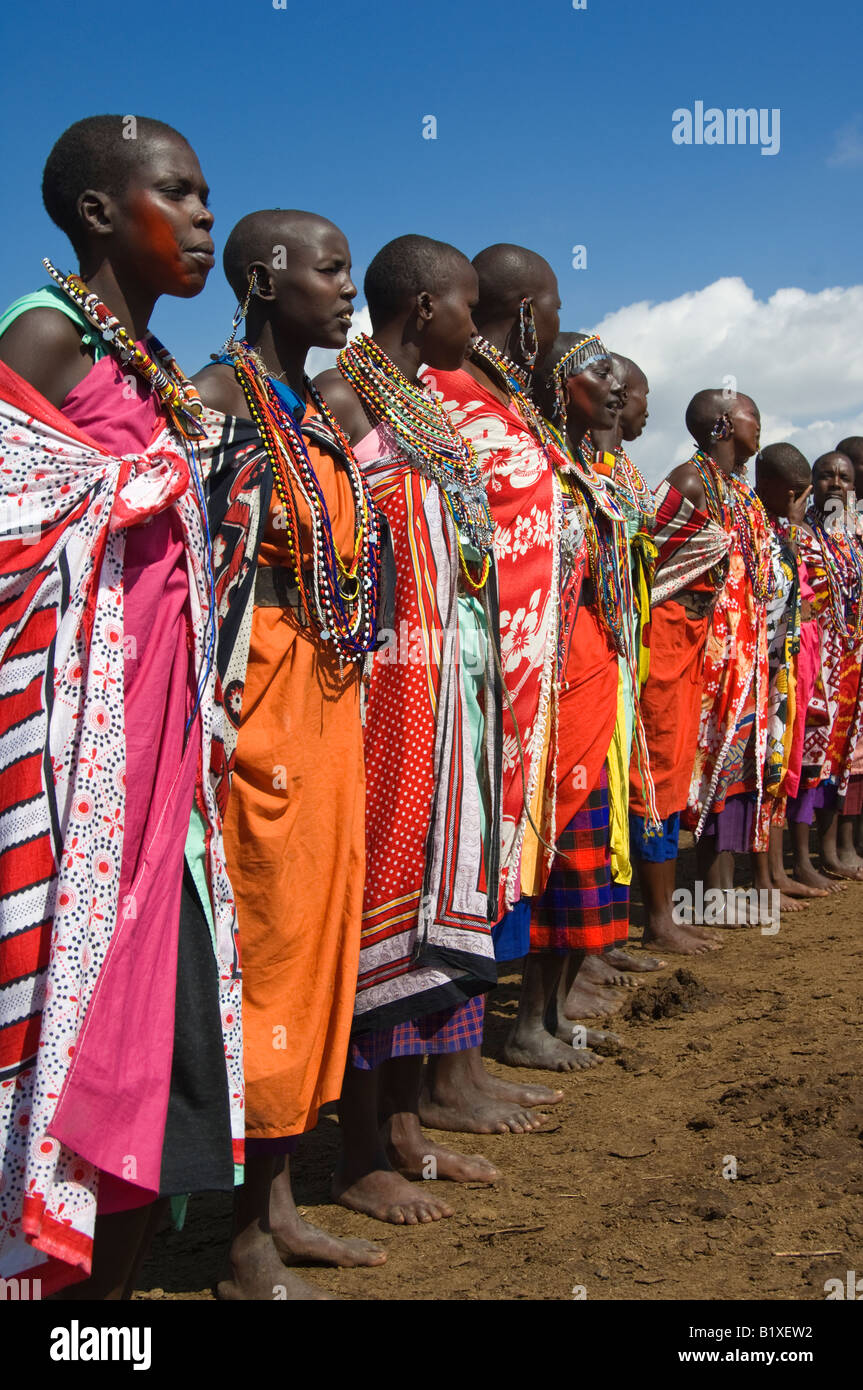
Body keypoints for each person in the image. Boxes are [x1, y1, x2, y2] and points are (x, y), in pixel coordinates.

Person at [0, 115, 241, 1297]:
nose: (205, 217)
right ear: (98, 214)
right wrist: (126, 488)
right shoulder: (44, 337)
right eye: (179, 194)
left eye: (205, 198)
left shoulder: (150, 375)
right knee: (66, 1016)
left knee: (170, 1048)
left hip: (159, 775)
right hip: (63, 773)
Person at [193, 210, 389, 1297]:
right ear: (268, 281)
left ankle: (278, 1206)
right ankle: (240, 1243)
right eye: (329, 271)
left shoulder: (309, 411)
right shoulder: (218, 406)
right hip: (256, 730)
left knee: (312, 954)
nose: (344, 290)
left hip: (324, 721)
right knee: (261, 959)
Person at [317, 234, 505, 1224]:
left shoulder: (419, 407)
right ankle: (355, 1152)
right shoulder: (342, 401)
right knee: (374, 916)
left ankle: (401, 1128)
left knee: (423, 913)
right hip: (375, 695)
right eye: (468, 308)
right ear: (425, 306)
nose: (478, 329)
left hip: (438, 689)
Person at [628, 389, 751, 953]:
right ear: (725, 424)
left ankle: (662, 914)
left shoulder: (728, 490)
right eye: (754, 418)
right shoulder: (690, 483)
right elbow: (643, 565)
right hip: (666, 641)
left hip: (695, 644)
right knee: (655, 773)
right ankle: (655, 921)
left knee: (677, 773)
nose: (760, 428)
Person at [787, 452, 863, 884]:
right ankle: (801, 859)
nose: (836, 482)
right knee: (810, 754)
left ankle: (832, 852)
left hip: (852, 661)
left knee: (843, 762)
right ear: (813, 483)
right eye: (827, 476)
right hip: (818, 660)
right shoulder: (803, 532)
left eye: (844, 477)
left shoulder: (854, 534)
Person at [749, 444, 816, 912]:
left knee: (782, 763)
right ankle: (763, 879)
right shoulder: (762, 525)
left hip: (787, 660)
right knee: (765, 769)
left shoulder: (779, 528)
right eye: (803, 496)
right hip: (760, 661)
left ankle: (775, 875)